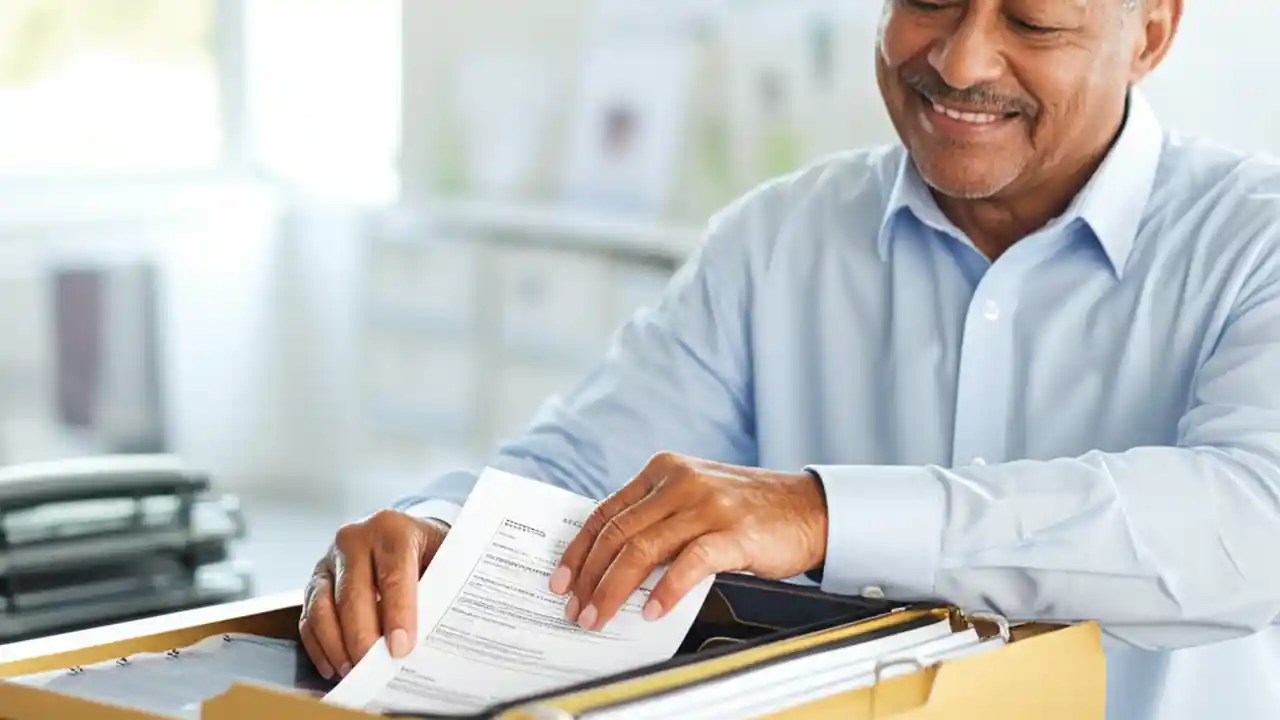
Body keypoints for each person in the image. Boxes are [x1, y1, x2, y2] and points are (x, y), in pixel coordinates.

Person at [302, 1, 1280, 717]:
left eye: (1030, 22)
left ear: (1148, 32)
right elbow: (577, 470)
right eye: (927, 1)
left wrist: (821, 514)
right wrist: (441, 534)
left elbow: (1251, 526)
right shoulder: (779, 237)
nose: (961, 56)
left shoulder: (1254, 242)